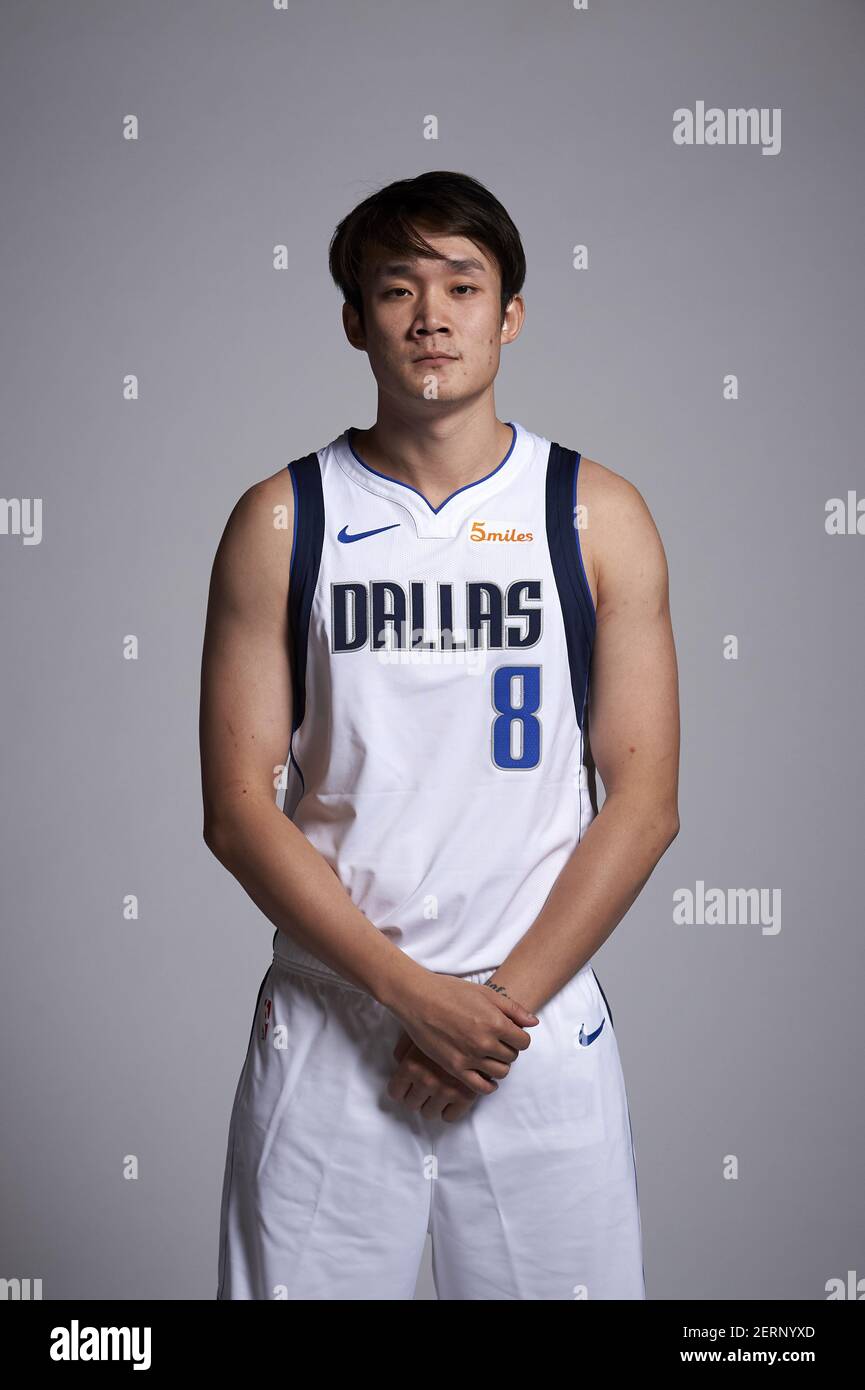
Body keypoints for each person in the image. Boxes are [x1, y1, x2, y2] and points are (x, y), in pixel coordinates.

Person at [199, 170, 680, 1301]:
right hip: (335, 1022)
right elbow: (236, 808)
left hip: (534, 1025)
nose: (431, 315)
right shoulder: (283, 518)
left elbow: (645, 796)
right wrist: (416, 999)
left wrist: (492, 1012)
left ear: (508, 314)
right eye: (396, 287)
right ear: (354, 318)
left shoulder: (592, 512)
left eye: (463, 285)